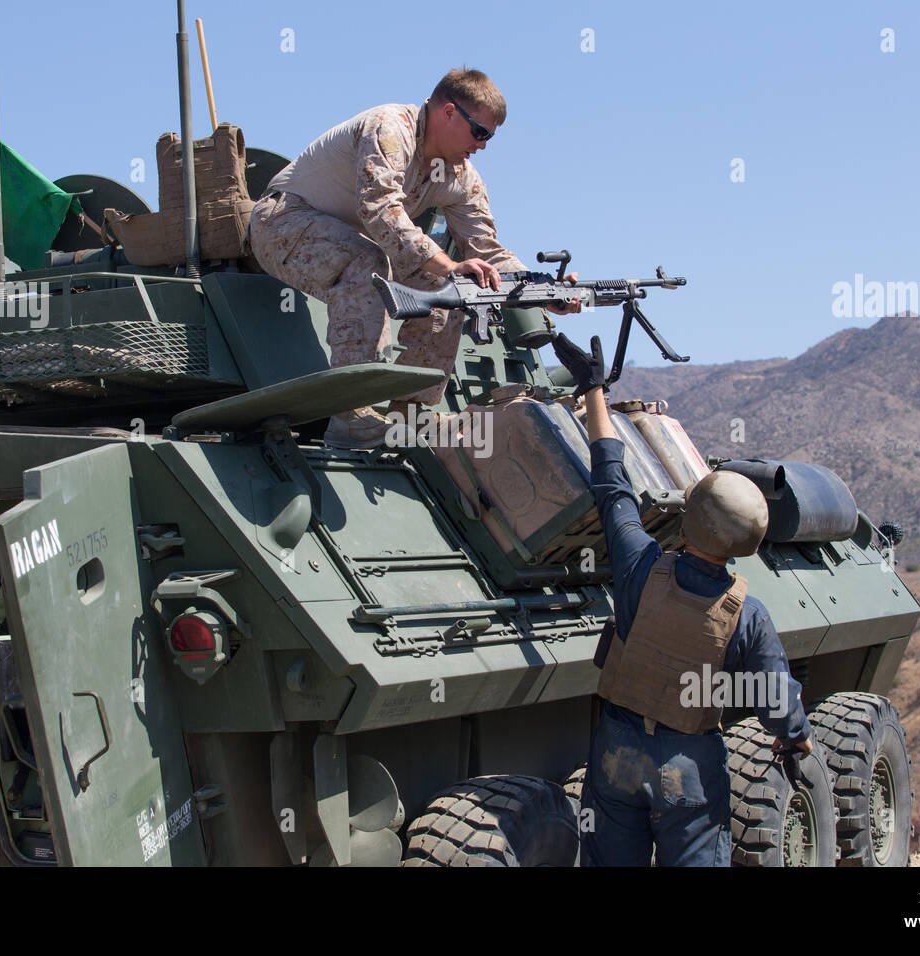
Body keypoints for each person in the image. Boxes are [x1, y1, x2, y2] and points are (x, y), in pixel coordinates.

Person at [550, 333, 814, 867]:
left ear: (687, 516)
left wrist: (594, 390)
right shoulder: (747, 615)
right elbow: (775, 698)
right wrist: (795, 740)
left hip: (616, 757)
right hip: (687, 768)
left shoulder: (638, 565)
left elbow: (612, 482)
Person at [248, 68, 579, 449]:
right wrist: (449, 263)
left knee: (453, 287)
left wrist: (541, 290)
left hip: (352, 239)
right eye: (480, 133)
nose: (483, 145)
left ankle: (410, 413)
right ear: (449, 113)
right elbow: (379, 210)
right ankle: (351, 414)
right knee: (369, 263)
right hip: (284, 222)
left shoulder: (461, 177)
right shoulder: (391, 128)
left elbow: (485, 251)